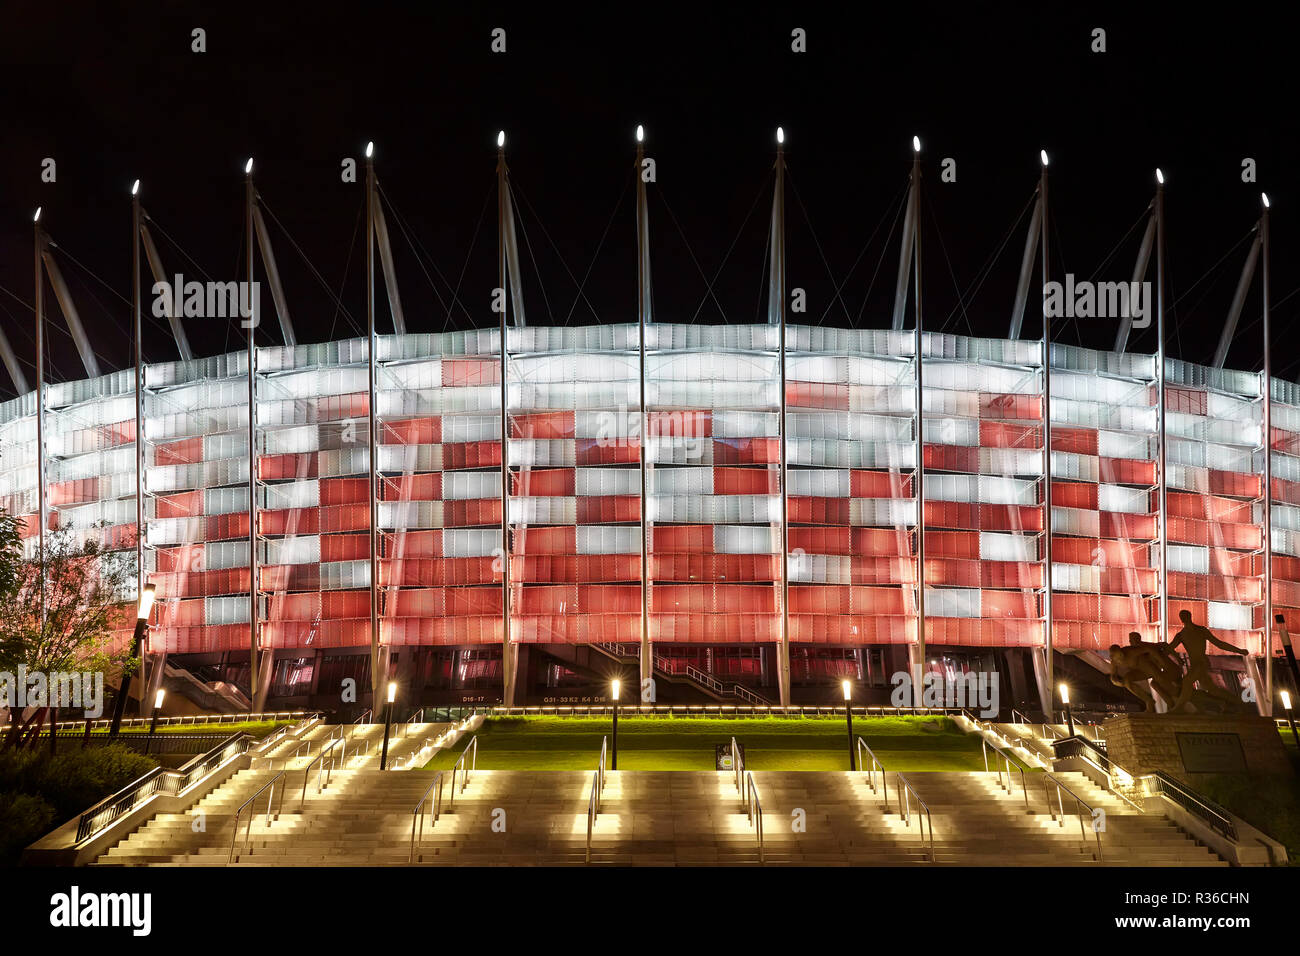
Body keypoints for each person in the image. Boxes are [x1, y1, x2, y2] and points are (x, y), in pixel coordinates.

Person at [1168, 609, 1248, 711]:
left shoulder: (1201, 630)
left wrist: (1239, 650)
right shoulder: (1181, 635)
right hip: (1195, 664)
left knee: (1187, 682)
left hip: (1201, 663)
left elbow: (1219, 643)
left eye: (1184, 616)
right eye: (1182, 616)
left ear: (1188, 617)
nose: (1183, 618)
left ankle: (1178, 708)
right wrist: (1177, 657)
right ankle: (1238, 702)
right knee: (1213, 690)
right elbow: (1170, 648)